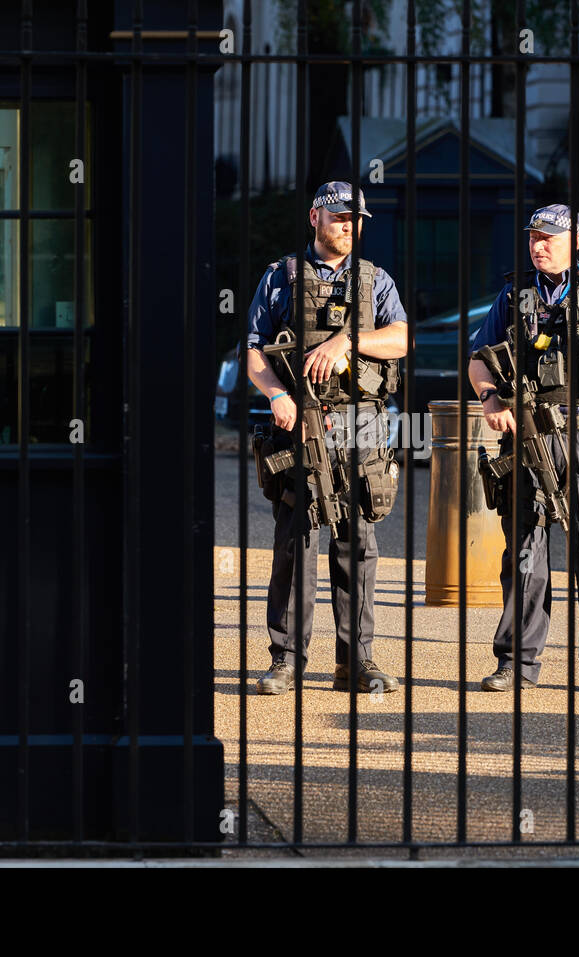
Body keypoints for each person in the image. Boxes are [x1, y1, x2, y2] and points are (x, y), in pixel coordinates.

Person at [244, 182, 409, 696]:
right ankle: (287, 659)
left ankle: (355, 662)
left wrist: (348, 339)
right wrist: (276, 395)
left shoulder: (376, 280)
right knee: (297, 540)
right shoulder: (280, 277)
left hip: (360, 424)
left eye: (356, 220)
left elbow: (400, 338)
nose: (348, 227)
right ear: (315, 217)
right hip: (297, 422)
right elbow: (253, 353)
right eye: (339, 217)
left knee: (356, 542)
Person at [466, 203, 579, 693]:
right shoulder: (515, 293)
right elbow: (478, 359)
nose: (538, 245)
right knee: (525, 550)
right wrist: (490, 397)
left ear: (575, 241)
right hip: (527, 432)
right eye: (533, 237)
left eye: (548, 238)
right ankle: (517, 662)